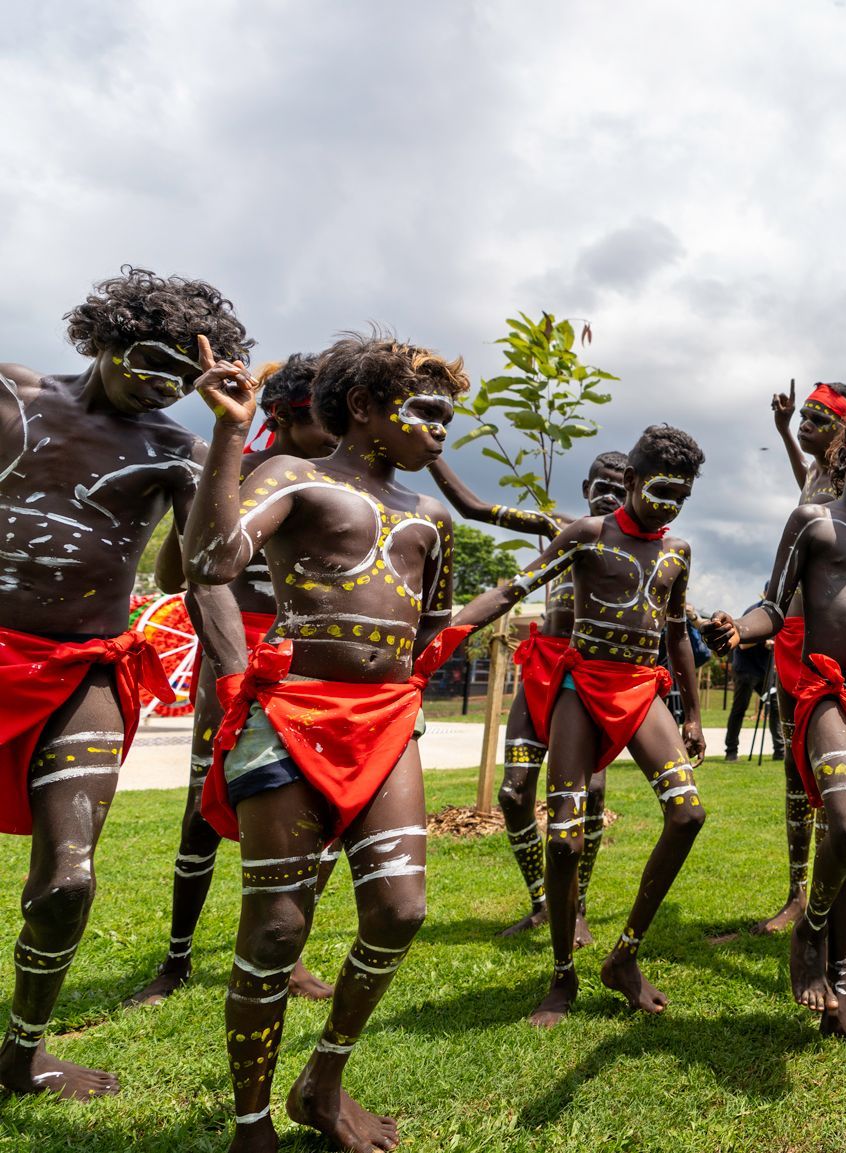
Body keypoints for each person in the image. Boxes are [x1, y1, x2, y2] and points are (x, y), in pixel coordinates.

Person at [185, 331, 495, 1151]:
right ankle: (251, 1123)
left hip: (387, 721)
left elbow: (430, 624)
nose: (440, 431)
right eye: (425, 412)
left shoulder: (430, 516)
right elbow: (211, 560)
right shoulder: (295, 475)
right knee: (276, 930)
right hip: (293, 714)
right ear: (362, 405)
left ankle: (322, 1081)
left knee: (400, 910)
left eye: (448, 418)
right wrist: (229, 433)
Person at [0, 269, 248, 1101]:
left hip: (84, 670)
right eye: (149, 360)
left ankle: (21, 1055)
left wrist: (227, 434)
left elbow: (210, 567)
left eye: (183, 376)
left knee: (68, 882)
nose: (161, 385)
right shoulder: (14, 397)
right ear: (104, 336)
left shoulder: (178, 449)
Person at [459, 425, 709, 1027]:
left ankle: (624, 957)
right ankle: (562, 977)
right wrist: (442, 635)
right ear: (632, 481)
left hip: (640, 688)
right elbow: (513, 589)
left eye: (681, 497)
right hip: (579, 686)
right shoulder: (587, 535)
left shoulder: (677, 551)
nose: (669, 507)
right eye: (660, 491)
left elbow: (677, 634)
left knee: (688, 814)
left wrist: (695, 714)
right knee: (564, 840)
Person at [131, 353, 341, 1008]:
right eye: (325, 418)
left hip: (307, 662)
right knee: (202, 811)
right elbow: (178, 576)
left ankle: (289, 955)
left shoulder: (336, 482)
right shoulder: (236, 472)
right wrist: (202, 503)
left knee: (319, 811)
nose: (336, 432)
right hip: (235, 657)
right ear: (281, 415)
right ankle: (176, 960)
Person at [708, 403, 846, 1048]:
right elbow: (775, 605)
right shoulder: (813, 522)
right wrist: (739, 629)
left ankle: (842, 1006)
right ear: (843, 455)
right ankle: (810, 926)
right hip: (829, 693)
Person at [424, 449, 628, 938]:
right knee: (513, 793)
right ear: (585, 488)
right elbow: (473, 507)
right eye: (601, 486)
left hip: (590, 675)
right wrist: (431, 455)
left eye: (620, 490)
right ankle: (542, 902)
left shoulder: (637, 547)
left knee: (591, 794)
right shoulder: (560, 526)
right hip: (542, 667)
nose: (609, 496)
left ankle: (576, 906)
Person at [758, 379, 846, 935]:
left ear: (845, 433)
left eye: (819, 419)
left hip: (830, 641)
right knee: (794, 771)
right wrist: (783, 431)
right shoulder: (818, 475)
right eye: (805, 414)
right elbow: (805, 476)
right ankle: (796, 893)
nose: (806, 423)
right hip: (791, 633)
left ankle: (827, 899)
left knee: (830, 773)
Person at [725, 591, 785, 762]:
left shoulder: (779, 616)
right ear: (765, 594)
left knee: (774, 706)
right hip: (746, 670)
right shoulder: (753, 612)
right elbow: (742, 645)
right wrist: (763, 641)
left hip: (765, 672)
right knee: (740, 708)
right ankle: (731, 751)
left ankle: (780, 751)